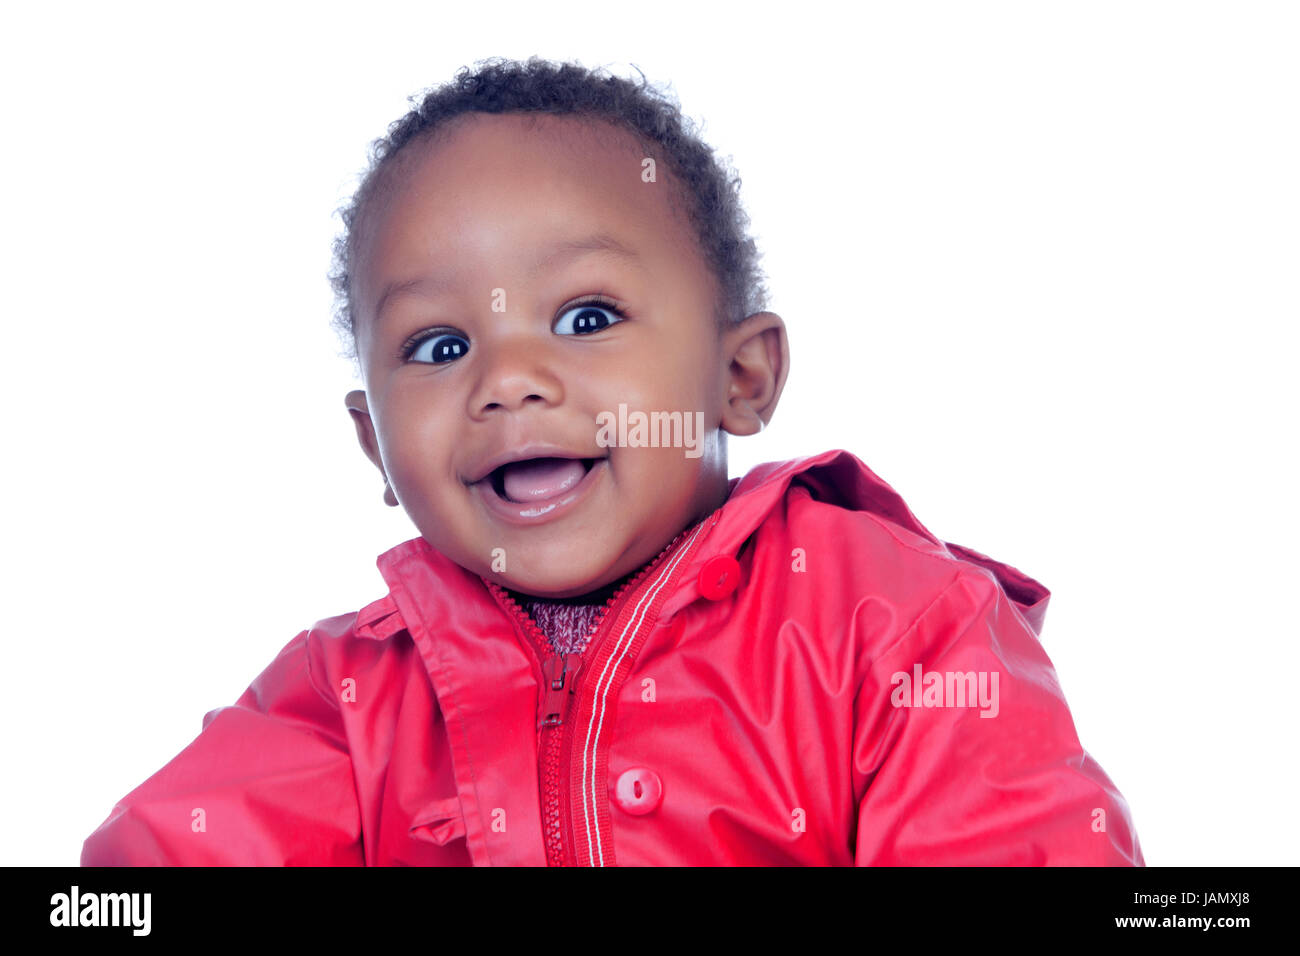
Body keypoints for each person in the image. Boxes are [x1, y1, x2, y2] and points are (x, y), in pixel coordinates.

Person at [81, 56, 1143, 866]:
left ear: (741, 376)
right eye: (439, 346)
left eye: (586, 316)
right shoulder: (349, 691)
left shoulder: (896, 624)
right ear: (375, 442)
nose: (509, 378)